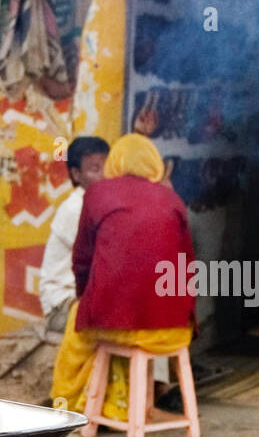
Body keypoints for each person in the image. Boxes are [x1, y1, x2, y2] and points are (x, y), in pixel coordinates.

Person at [49, 134, 195, 421]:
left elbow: (83, 262)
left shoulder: (98, 195)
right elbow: (187, 265)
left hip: (111, 317)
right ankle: (134, 405)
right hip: (175, 330)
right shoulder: (172, 198)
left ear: (115, 162)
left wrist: (86, 299)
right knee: (147, 311)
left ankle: (71, 407)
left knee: (90, 325)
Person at [38, 135, 109, 334]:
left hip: (81, 299)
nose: (105, 175)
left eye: (108, 167)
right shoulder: (75, 208)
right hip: (62, 305)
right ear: (76, 175)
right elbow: (102, 259)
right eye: (95, 169)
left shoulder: (98, 205)